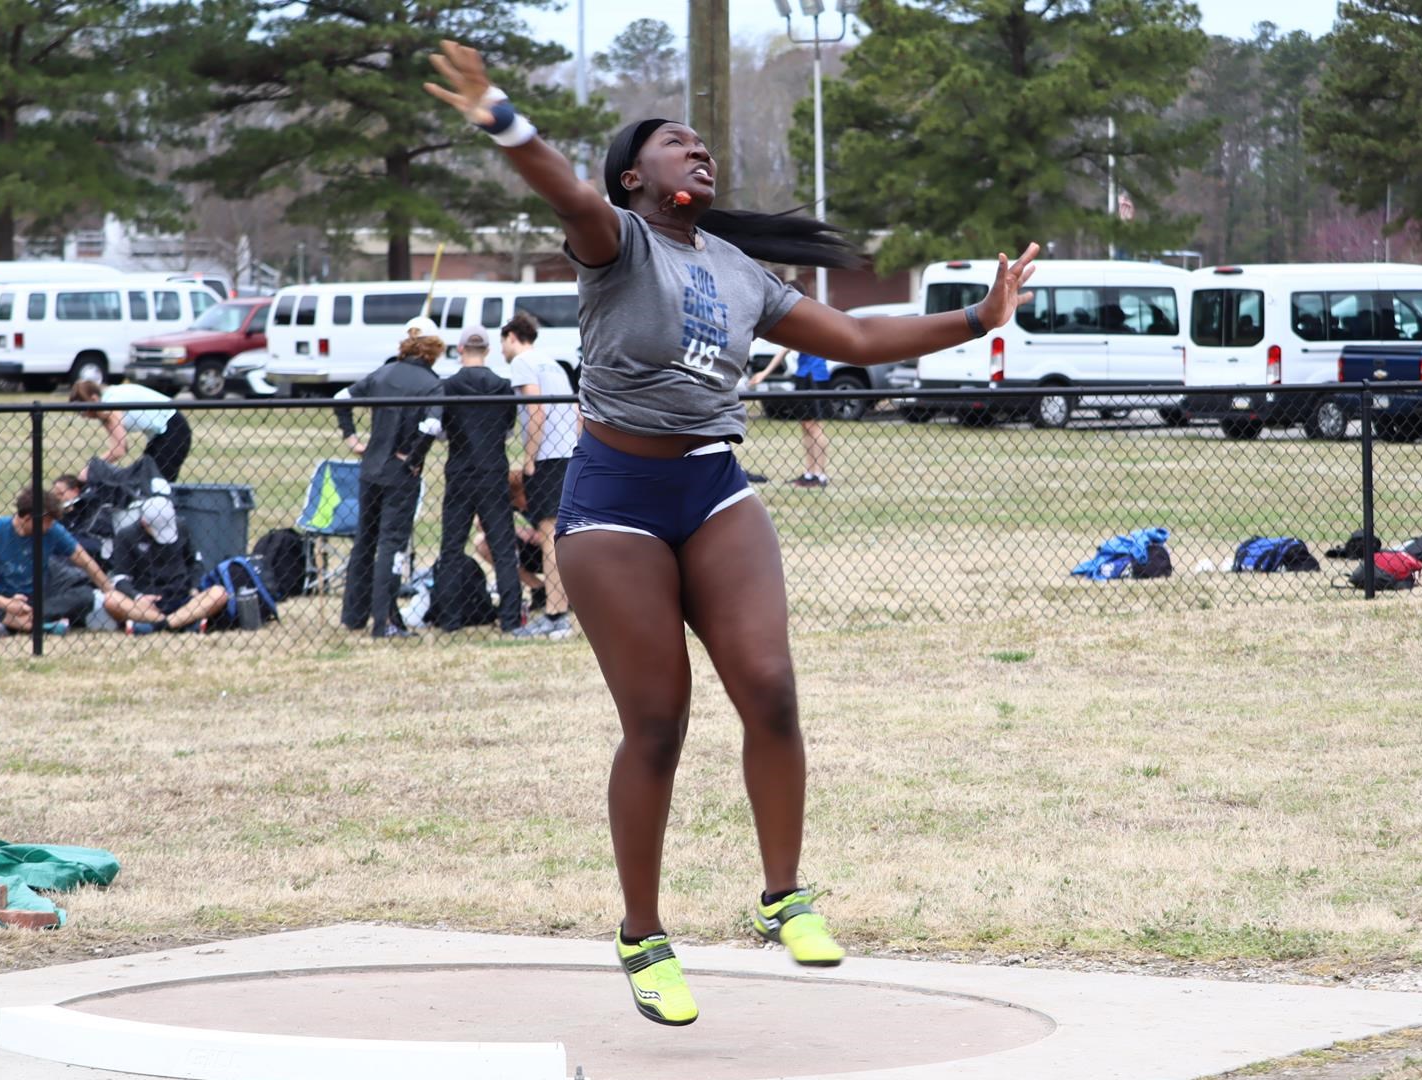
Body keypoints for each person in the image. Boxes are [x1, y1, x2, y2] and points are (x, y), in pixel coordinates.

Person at [427, 42, 1039, 1026]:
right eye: (676, 143)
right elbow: (566, 192)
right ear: (635, 177)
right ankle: (642, 935)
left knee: (771, 690)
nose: (699, 150)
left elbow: (856, 339)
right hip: (615, 502)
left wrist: (980, 316)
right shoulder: (617, 241)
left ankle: (783, 897)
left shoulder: (739, 268)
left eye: (702, 144)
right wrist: (502, 118)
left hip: (713, 487)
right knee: (658, 725)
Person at [333, 317, 444, 638]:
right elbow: (432, 427)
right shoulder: (432, 385)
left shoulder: (382, 374)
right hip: (400, 475)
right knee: (391, 545)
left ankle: (354, 615)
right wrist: (414, 458)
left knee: (364, 540)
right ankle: (385, 622)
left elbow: (341, 398)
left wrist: (352, 438)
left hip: (371, 469)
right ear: (434, 349)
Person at [436, 324, 525, 634]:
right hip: (493, 471)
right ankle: (510, 619)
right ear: (487, 351)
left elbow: (442, 429)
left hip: (460, 471)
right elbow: (509, 428)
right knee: (503, 548)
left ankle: (449, 620)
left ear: (460, 349)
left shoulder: (448, 386)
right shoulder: (502, 386)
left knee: (451, 547)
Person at [501, 311, 578, 637]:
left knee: (550, 538)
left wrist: (530, 459)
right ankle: (559, 611)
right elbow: (577, 412)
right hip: (568, 454)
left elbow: (535, 411)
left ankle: (555, 615)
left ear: (512, 337)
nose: (502, 350)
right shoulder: (554, 364)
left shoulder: (523, 362)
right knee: (560, 537)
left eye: (503, 343)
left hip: (548, 458)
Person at [0, 486, 114, 636]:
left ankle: (12, 623)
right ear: (28, 518)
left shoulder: (53, 531)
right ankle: (24, 623)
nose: (50, 526)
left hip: (37, 602)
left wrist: (109, 591)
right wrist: (6, 604)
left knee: (85, 595)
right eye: (47, 522)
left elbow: (85, 561)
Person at [102, 494, 229, 634]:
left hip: (183, 599)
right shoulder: (126, 536)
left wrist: (194, 587)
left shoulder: (181, 527)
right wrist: (138, 597)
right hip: (147, 604)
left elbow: (195, 563)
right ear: (144, 523)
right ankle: (182, 622)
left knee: (219, 593)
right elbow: (120, 578)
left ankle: (159, 625)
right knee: (111, 599)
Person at [746, 344, 834, 488]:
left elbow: (785, 350)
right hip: (803, 376)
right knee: (806, 426)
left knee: (815, 427)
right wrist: (764, 373)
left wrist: (764, 373)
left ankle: (819, 475)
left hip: (814, 376)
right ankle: (809, 473)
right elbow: (785, 348)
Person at [69, 380, 192, 482]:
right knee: (147, 480)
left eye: (82, 410)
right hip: (160, 436)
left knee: (156, 484)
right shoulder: (107, 402)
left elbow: (119, 449)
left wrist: (90, 468)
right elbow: (121, 445)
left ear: (94, 399)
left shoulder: (110, 405)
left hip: (174, 430)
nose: (83, 416)